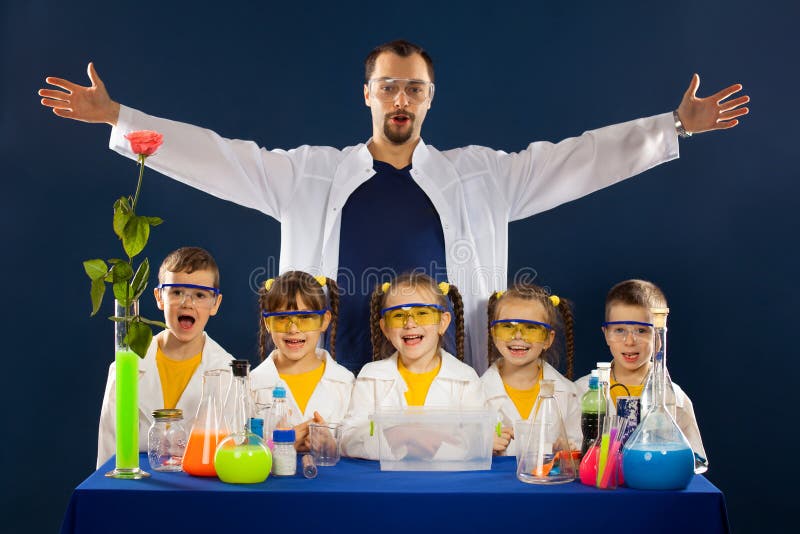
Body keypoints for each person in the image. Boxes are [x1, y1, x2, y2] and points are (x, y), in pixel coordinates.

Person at [38, 40, 750, 374]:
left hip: (438, 376)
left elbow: (576, 159)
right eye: (388, 87)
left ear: (429, 99)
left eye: (413, 89)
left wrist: (673, 127)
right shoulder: (310, 175)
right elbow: (221, 158)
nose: (400, 99)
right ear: (368, 95)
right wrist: (118, 121)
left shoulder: (480, 177)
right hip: (326, 370)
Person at [96, 246, 234, 467]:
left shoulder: (229, 373)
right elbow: (108, 455)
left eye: (200, 295)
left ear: (215, 303)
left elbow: (230, 458)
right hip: (138, 493)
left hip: (201, 495)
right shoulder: (126, 367)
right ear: (159, 297)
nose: (187, 303)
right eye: (177, 292)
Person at [339, 273, 485, 460]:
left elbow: (478, 441)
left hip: (447, 485)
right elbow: (348, 439)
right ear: (385, 329)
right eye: (398, 316)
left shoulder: (466, 379)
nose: (410, 324)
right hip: (386, 485)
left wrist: (423, 440)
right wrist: (398, 434)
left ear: (443, 323)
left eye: (422, 314)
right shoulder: (371, 376)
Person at [574, 279, 707, 461]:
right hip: (597, 488)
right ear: (606, 334)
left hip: (654, 487)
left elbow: (695, 462)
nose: (629, 341)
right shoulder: (580, 391)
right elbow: (568, 457)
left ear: (659, 337)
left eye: (642, 331)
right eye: (619, 330)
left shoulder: (675, 399)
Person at [250, 270, 355, 451]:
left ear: (324, 320)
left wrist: (332, 446)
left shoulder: (345, 382)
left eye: (305, 317)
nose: (293, 329)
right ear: (267, 323)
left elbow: (355, 441)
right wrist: (278, 445)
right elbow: (240, 446)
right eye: (282, 318)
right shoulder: (251, 385)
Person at [481, 284, 580, 457]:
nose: (518, 336)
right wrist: (482, 445)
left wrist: (566, 451)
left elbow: (578, 448)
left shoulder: (570, 394)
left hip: (548, 483)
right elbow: (461, 449)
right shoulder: (475, 391)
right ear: (494, 334)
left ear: (548, 339)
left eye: (531, 328)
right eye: (507, 327)